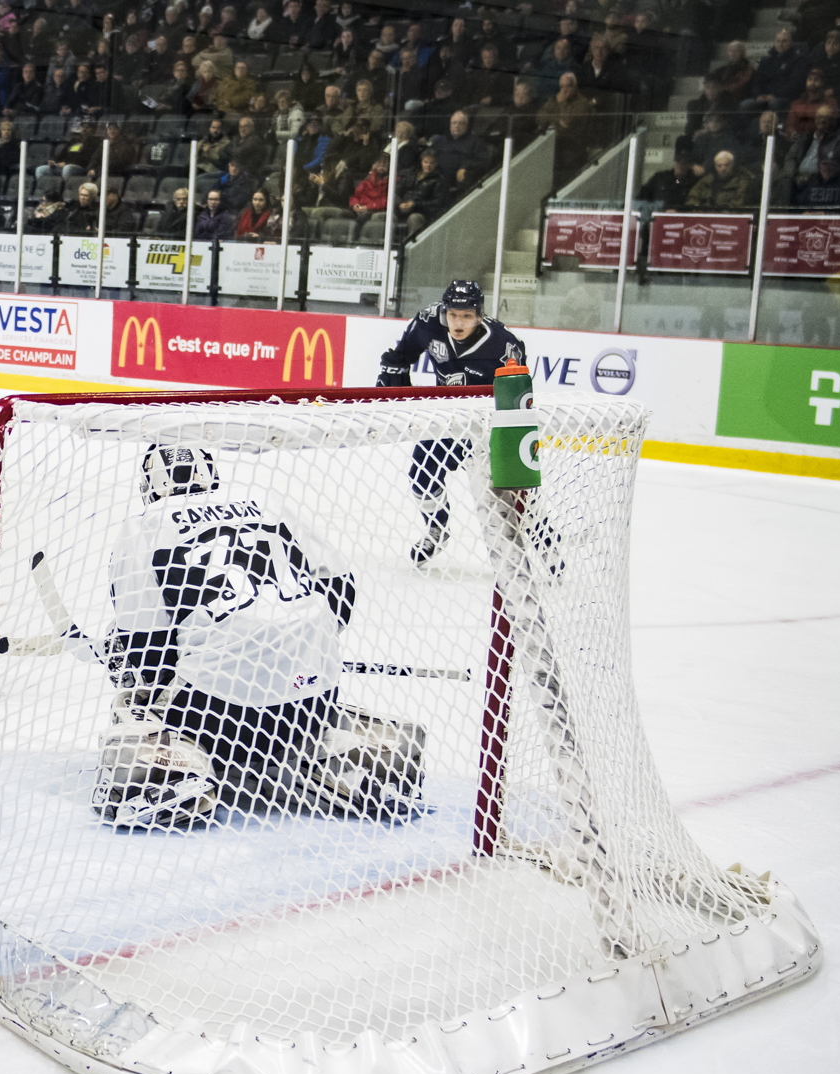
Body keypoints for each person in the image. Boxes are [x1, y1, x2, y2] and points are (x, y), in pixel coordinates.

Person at [94, 445, 424, 830]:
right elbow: (340, 590)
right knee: (300, 686)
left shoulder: (143, 525)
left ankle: (177, 766)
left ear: (150, 486)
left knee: (133, 688)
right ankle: (338, 752)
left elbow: (144, 642)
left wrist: (146, 679)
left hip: (216, 715)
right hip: (313, 701)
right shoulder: (266, 502)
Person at [376, 279, 527, 565]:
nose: (458, 323)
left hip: (486, 430)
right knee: (421, 475)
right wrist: (394, 373)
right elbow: (401, 356)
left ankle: (544, 543)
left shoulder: (504, 345)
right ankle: (437, 529)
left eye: (467, 316)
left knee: (509, 499)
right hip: (446, 421)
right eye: (453, 315)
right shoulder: (429, 322)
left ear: (479, 316)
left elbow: (516, 396)